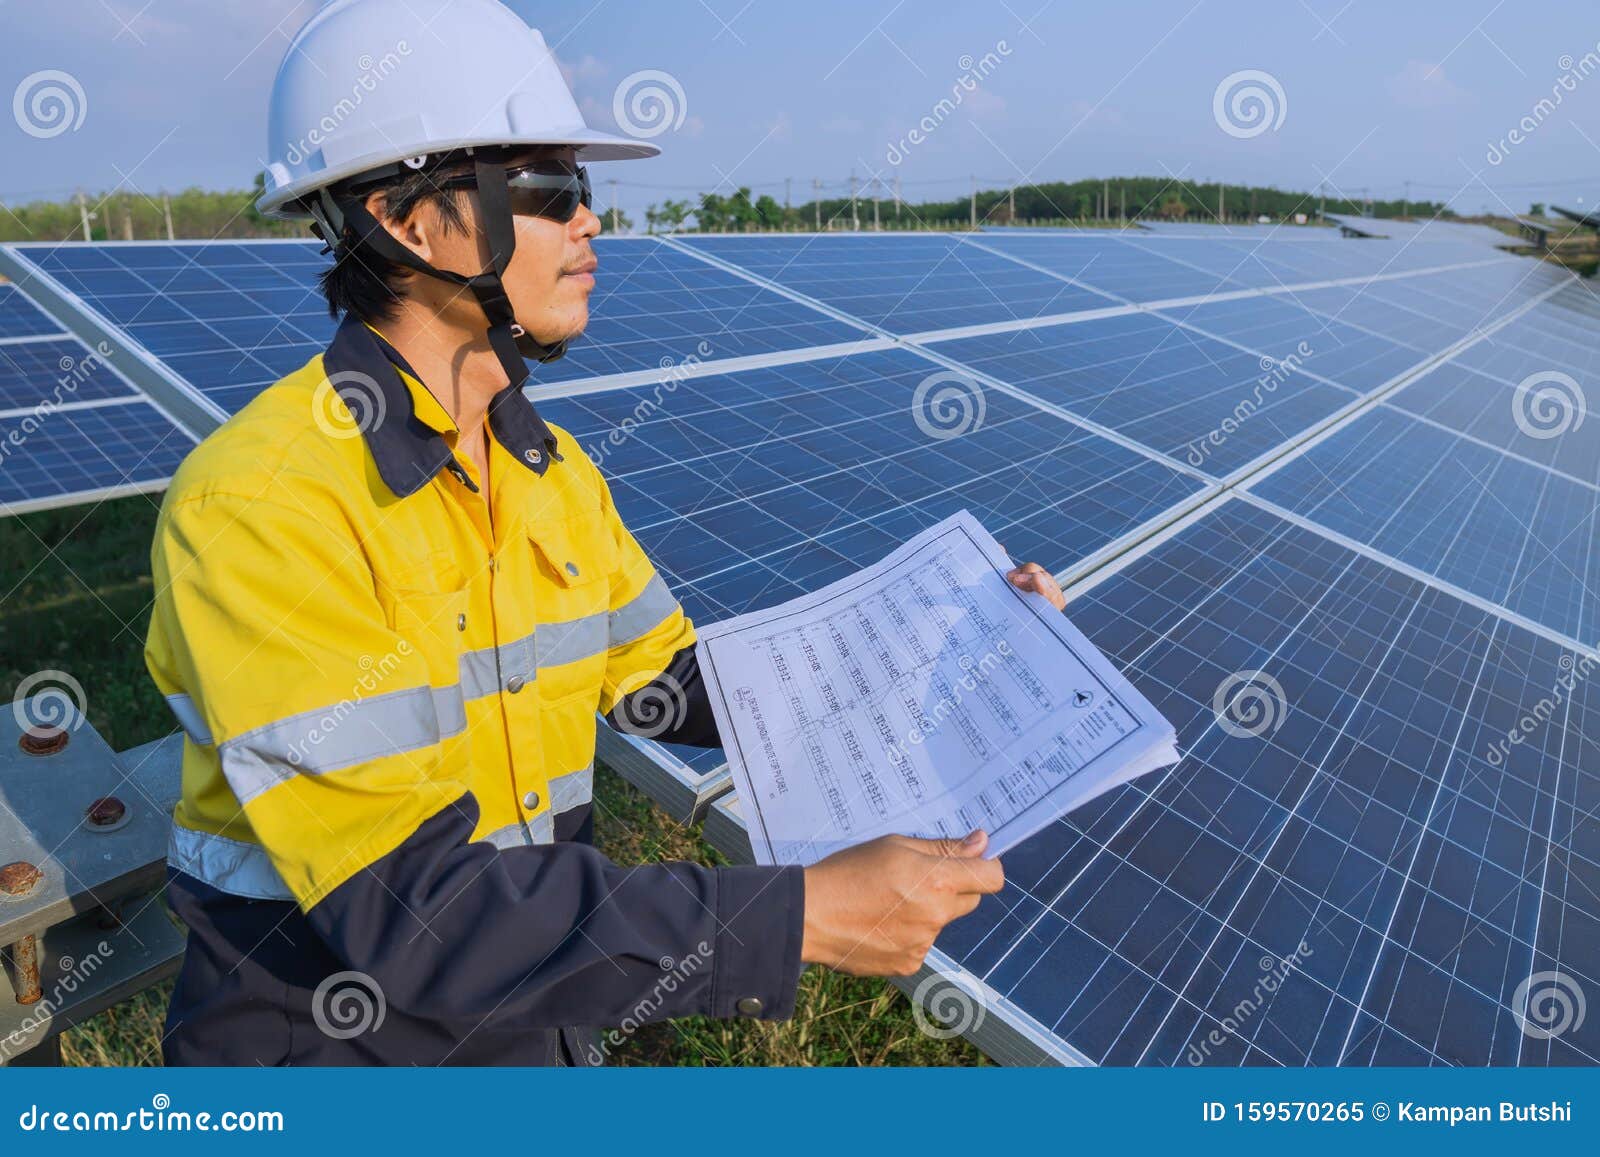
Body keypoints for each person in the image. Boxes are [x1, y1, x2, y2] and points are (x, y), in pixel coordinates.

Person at [145, 0, 1066, 1065]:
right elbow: (411, 909)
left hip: (535, 1028)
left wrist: (928, 654)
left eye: (583, 187)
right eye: (548, 185)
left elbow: (663, 684)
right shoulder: (262, 507)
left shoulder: (549, 469)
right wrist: (796, 915)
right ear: (406, 219)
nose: (590, 220)